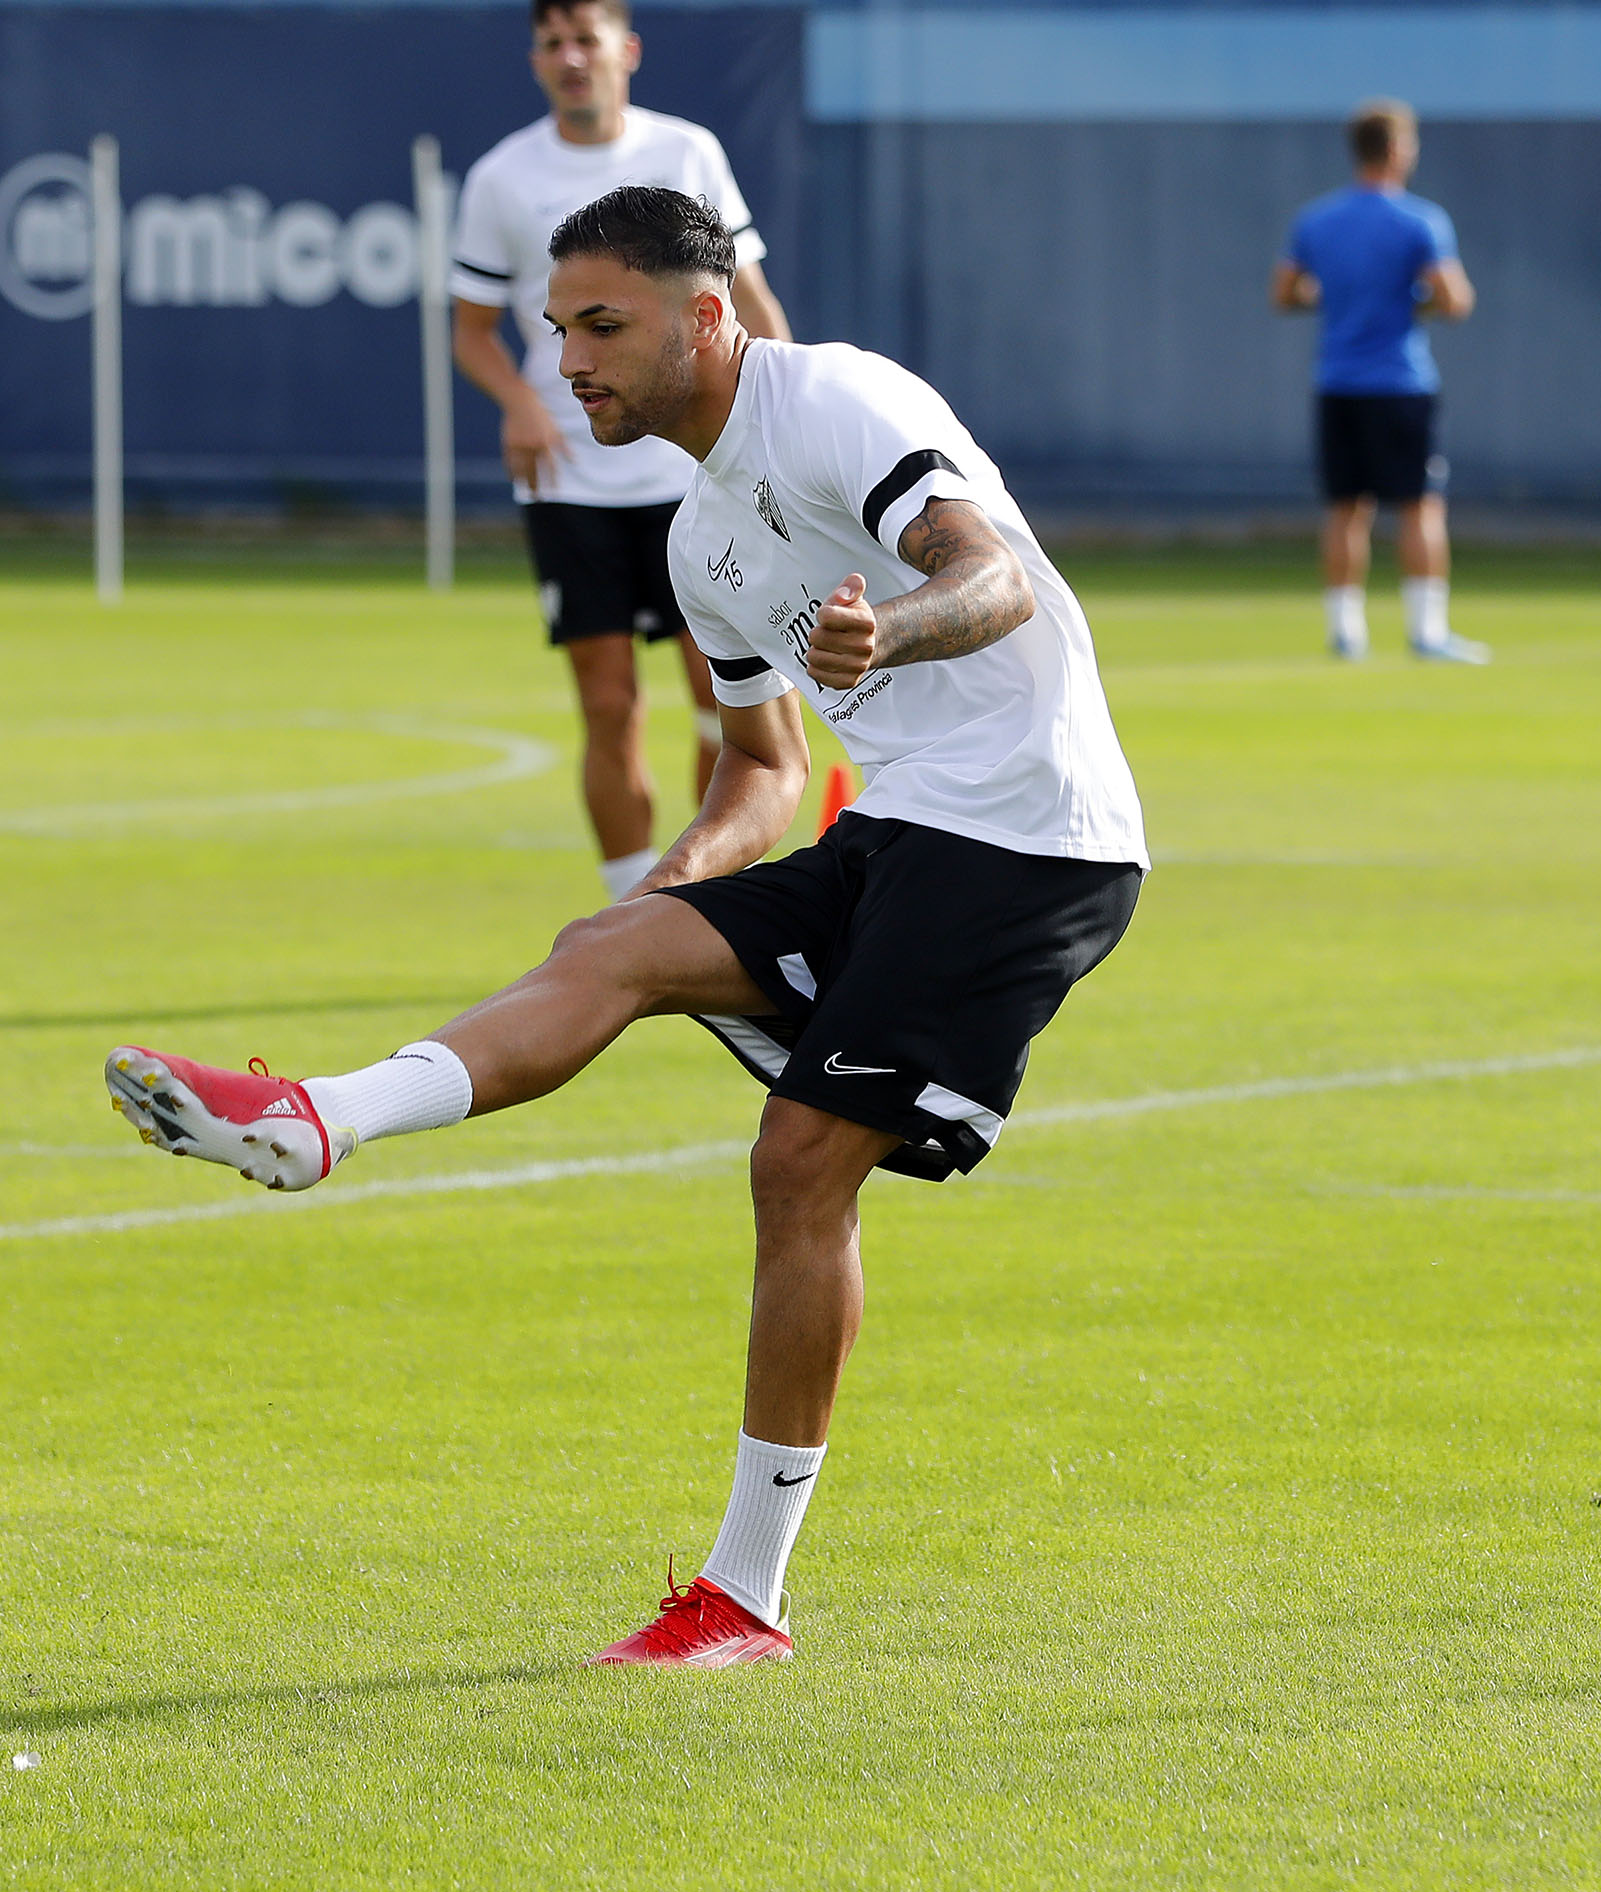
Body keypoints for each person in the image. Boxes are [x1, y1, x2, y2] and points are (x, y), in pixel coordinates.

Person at [105, 187, 1147, 1667]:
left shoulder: (841, 397)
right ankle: (313, 1119)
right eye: (555, 331)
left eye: (603, 326)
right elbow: (766, 770)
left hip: (1036, 838)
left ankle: (744, 1601)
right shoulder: (700, 546)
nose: (569, 361)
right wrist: (677, 886)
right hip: (900, 829)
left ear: (706, 315)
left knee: (799, 1165)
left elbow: (993, 579)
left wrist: (890, 627)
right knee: (605, 946)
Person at [449, 0, 794, 904]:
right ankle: (622, 915)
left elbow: (746, 298)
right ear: (535, 59)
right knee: (608, 708)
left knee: (729, 708)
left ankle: (716, 907)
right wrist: (523, 403)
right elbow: (472, 330)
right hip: (571, 477)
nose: (571, 58)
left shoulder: (686, 153)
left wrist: (782, 415)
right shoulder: (502, 176)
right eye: (552, 42)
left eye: (586, 39)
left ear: (625, 51)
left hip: (696, 473)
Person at [1273, 98, 1482, 664]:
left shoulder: (1316, 220)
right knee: (1419, 507)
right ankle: (1428, 632)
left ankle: (1347, 634)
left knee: (1345, 509)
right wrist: (1413, 300)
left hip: (1337, 380)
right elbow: (1453, 297)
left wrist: (1335, 296)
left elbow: (1286, 292)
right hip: (1400, 382)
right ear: (1395, 149)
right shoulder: (1420, 219)